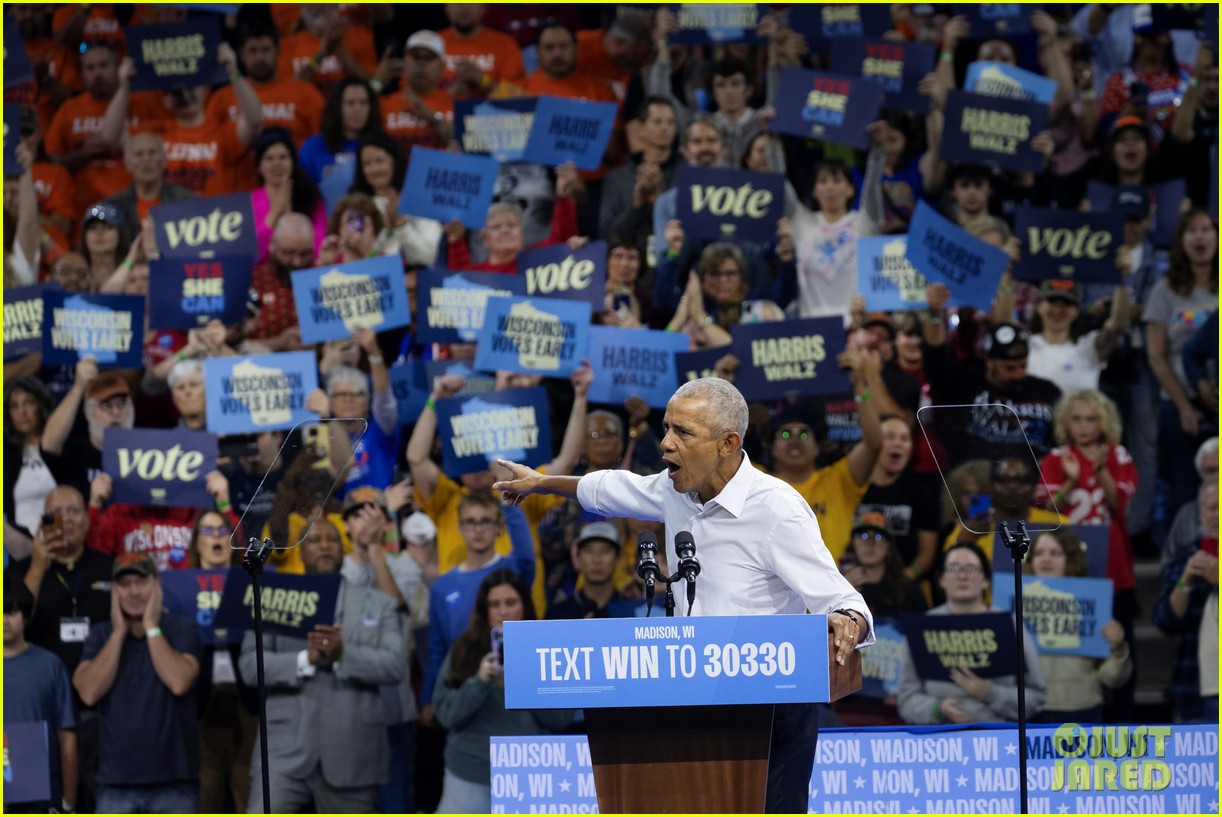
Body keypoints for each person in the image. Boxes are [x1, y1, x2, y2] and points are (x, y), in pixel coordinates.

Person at [492, 377, 872, 814]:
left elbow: (845, 600)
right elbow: (610, 489)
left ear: (728, 443)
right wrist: (542, 483)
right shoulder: (676, 491)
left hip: (771, 708)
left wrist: (849, 622)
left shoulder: (777, 510)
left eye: (683, 433)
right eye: (666, 428)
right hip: (696, 701)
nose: (666, 445)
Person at [239, 516, 406, 812]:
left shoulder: (379, 603)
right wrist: (307, 659)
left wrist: (343, 653)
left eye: (332, 540)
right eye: (315, 540)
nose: (325, 546)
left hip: (353, 753)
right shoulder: (274, 598)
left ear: (342, 549)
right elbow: (251, 666)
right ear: (300, 552)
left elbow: (395, 665)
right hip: (282, 754)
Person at [433, 570, 571, 813]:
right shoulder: (463, 649)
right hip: (469, 775)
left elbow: (561, 718)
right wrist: (480, 681)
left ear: (524, 606)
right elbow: (444, 714)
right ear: (484, 610)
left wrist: (527, 679)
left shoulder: (547, 650)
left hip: (530, 776)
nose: (503, 611)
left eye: (511, 603)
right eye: (494, 604)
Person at [73, 553, 202, 813]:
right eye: (125, 584)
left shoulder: (181, 629)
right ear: (114, 592)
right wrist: (119, 632)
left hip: (174, 785)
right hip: (114, 786)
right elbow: (88, 692)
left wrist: (151, 626)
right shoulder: (101, 635)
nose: (133, 591)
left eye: (141, 582)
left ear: (157, 585)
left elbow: (179, 681)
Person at [896, 543, 1047, 725]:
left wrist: (989, 692)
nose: (962, 575)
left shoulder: (1012, 625)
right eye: (953, 568)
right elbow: (906, 700)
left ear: (985, 580)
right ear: (941, 580)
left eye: (971, 568)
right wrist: (938, 708)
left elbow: (1036, 697)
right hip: (939, 741)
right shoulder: (922, 628)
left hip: (1000, 740)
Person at [1146, 208, 1218, 517]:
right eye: (1192, 231)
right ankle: (1182, 561)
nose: (1200, 237)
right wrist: (1184, 406)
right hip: (1179, 403)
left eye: (1206, 229)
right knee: (1185, 490)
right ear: (1181, 241)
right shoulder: (1165, 289)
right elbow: (1156, 356)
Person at [1023, 529, 1132, 724]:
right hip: (1028, 711)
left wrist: (1117, 648)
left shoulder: (1094, 605)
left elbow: (1113, 679)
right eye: (1039, 553)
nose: (1046, 559)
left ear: (1070, 560)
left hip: (1082, 710)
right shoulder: (1013, 603)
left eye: (1055, 553)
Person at [4, 577, 79, 814]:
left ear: (25, 616)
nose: (4, 619)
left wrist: (68, 804)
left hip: (44, 798)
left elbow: (67, 739)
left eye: (11, 610)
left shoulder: (49, 665)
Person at [1152, 483, 1219, 723]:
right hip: (1195, 690)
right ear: (1201, 515)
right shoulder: (1186, 561)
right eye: (1213, 508)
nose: (1218, 515)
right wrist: (1186, 582)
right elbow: (1165, 622)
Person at [96, 132, 195, 247]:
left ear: (164, 160)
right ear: (128, 164)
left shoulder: (187, 201)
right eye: (139, 154)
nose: (147, 159)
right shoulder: (112, 207)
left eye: (152, 153)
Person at [4, 377, 71, 543]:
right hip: (19, 547)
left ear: (41, 405)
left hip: (61, 541)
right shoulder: (6, 457)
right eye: (14, 406)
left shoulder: (63, 450)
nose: (22, 411)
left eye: (29, 402)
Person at [251, 127, 326, 263]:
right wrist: (275, 213)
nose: (277, 163)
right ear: (259, 167)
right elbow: (253, 253)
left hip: (304, 270)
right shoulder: (250, 202)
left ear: (293, 162)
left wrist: (289, 214)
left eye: (283, 157)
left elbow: (318, 246)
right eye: (269, 158)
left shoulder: (311, 198)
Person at [545, 522, 625, 619]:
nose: (597, 560)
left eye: (605, 551)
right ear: (577, 558)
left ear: (618, 558)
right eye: (589, 551)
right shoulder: (557, 616)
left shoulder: (634, 612)